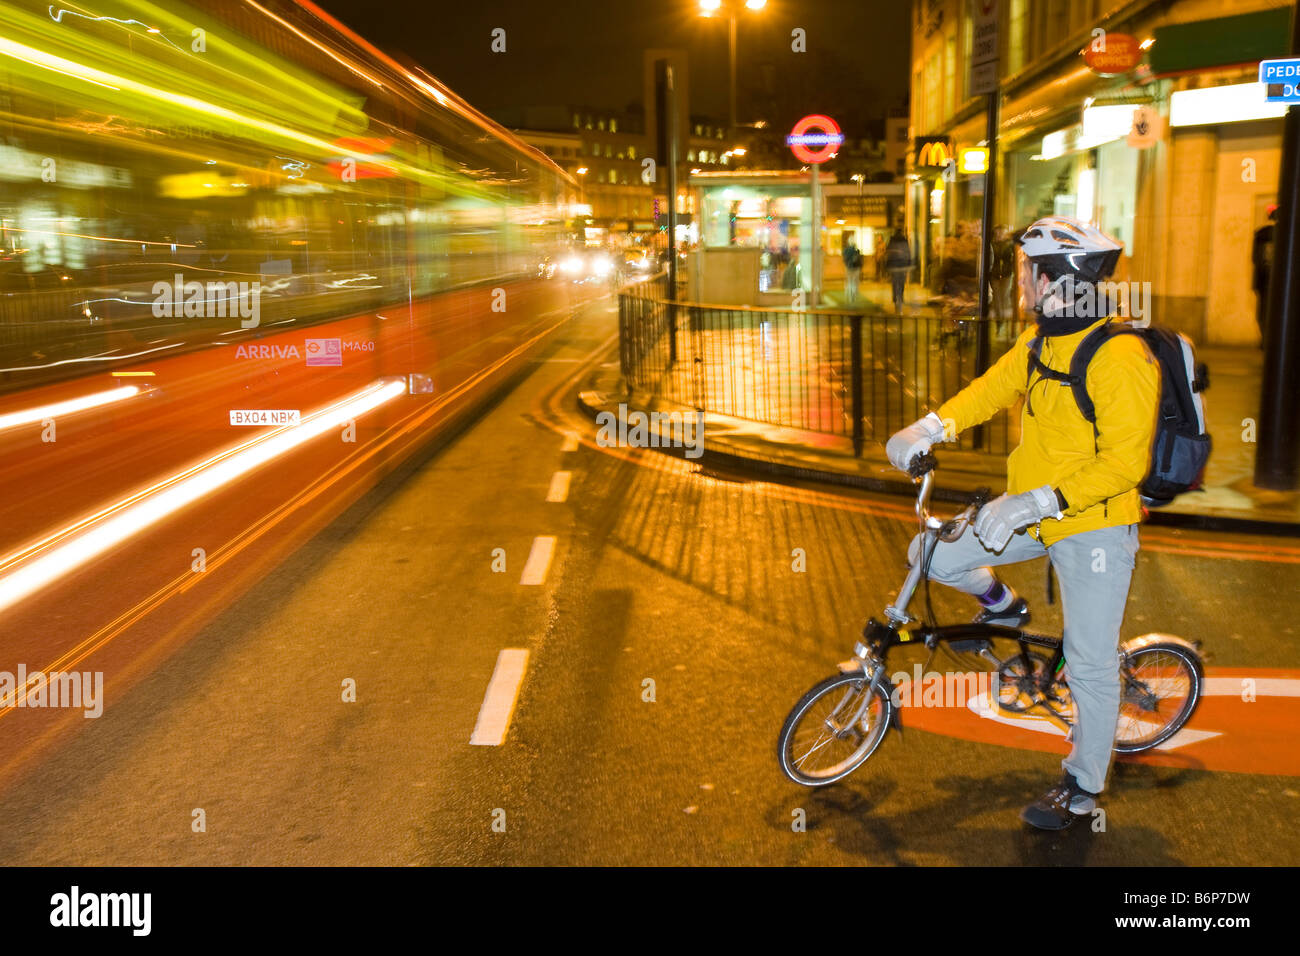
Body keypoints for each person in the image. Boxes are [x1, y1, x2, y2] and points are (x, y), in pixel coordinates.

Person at [885, 216, 1160, 830]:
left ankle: (1083, 787)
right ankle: (1004, 607)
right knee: (931, 555)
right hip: (1030, 511)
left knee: (1088, 664)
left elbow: (1125, 464)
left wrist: (1035, 503)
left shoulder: (1121, 357)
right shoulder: (1040, 342)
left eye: (1026, 274)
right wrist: (928, 427)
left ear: (1054, 278)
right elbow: (988, 391)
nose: (1020, 285)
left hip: (1094, 527)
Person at [1252, 204, 1277, 344]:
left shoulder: (1259, 234)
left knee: (1263, 312)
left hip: (1263, 280)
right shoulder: (1286, 233)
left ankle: (1265, 340)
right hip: (1276, 282)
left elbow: (1255, 258)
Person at [989, 224, 1016, 337]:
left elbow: (1013, 259)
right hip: (994, 274)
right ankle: (999, 322)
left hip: (1006, 274)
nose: (999, 234)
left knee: (1004, 296)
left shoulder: (1009, 244)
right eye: (998, 232)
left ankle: (1003, 319)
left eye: (1002, 232)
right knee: (997, 297)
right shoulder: (991, 244)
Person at [884, 231, 912, 313]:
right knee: (901, 283)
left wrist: (887, 266)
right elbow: (908, 253)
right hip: (902, 267)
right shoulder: (905, 241)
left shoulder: (891, 242)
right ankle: (901, 297)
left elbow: (887, 254)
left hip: (894, 267)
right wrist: (908, 264)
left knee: (894, 283)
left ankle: (895, 297)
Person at [842, 233, 863, 305]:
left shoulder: (845, 250)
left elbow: (844, 259)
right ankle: (854, 294)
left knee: (850, 281)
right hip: (856, 268)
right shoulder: (857, 250)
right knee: (855, 281)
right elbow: (860, 259)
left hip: (848, 267)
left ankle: (850, 295)